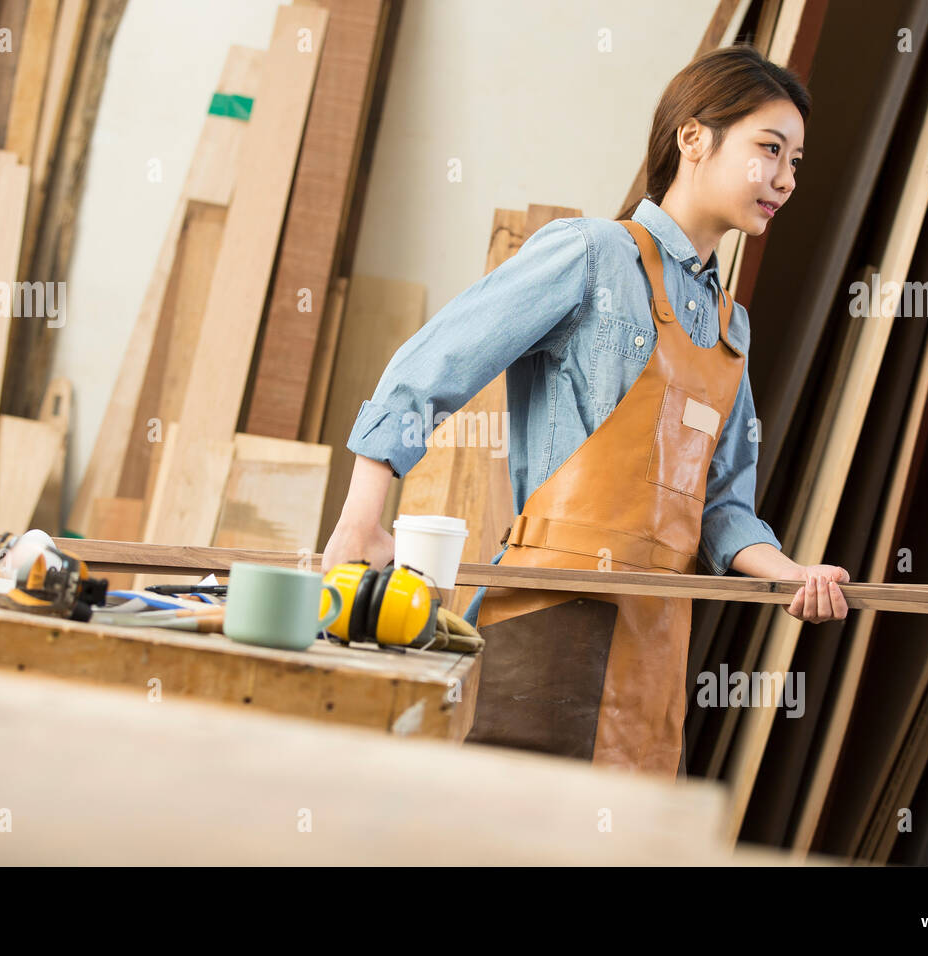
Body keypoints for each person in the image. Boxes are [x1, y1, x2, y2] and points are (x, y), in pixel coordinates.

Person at [321, 44, 848, 774]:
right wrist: (360, 517)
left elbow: (724, 507)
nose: (785, 179)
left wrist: (786, 571)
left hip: (656, 637)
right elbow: (432, 365)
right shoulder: (592, 255)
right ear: (693, 138)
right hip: (551, 615)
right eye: (769, 149)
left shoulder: (730, 326)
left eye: (795, 160)